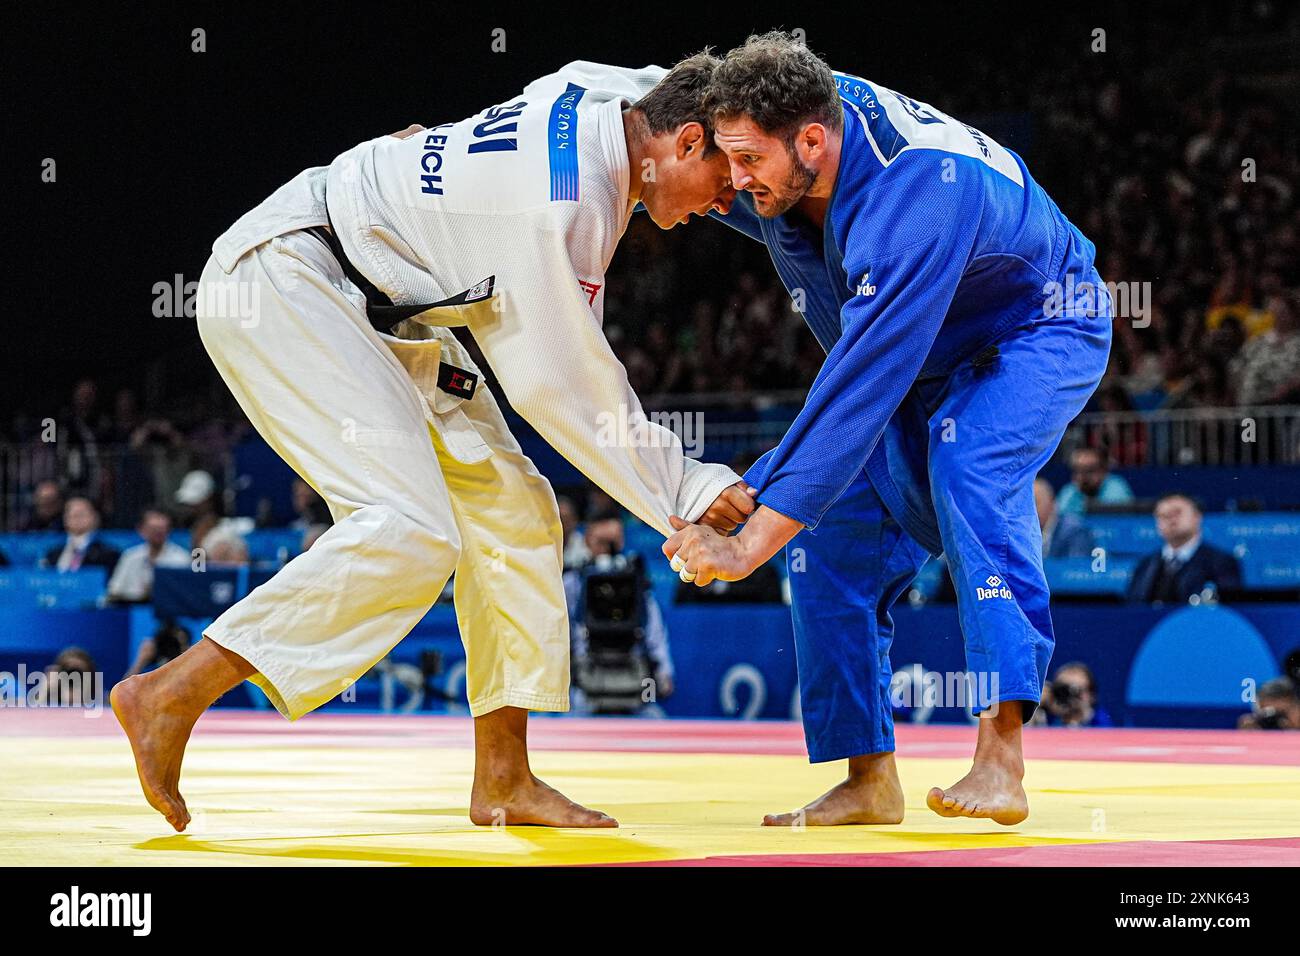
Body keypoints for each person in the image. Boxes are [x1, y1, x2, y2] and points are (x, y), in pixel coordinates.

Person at [111, 56, 754, 833]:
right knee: (410, 527)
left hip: (390, 299)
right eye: (729, 177)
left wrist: (795, 90)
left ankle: (506, 779)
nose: (731, 199)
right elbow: (565, 390)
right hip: (286, 277)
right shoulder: (561, 209)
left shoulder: (610, 99)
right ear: (687, 142)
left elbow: (660, 71)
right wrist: (683, 491)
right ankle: (172, 691)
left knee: (515, 509)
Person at [665, 33, 1113, 826]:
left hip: (1037, 326)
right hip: (929, 348)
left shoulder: (918, 199)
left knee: (970, 463)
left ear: (812, 140)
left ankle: (1001, 755)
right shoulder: (783, 117)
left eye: (745, 163)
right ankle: (868, 777)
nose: (730, 183)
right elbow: (649, 94)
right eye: (724, 160)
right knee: (827, 527)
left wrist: (749, 538)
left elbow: (860, 389)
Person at [1126, 493, 1241, 604]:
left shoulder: (1221, 562)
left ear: (1197, 516)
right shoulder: (1146, 564)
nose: (1171, 520)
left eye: (1177, 513)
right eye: (1163, 515)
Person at [107, 508, 190, 603]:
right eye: (153, 529)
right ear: (141, 530)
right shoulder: (130, 556)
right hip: (131, 610)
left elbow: (185, 596)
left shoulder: (182, 559)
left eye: (162, 529)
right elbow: (114, 591)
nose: (158, 533)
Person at [42, 497, 120, 575]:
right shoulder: (52, 554)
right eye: (72, 514)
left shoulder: (109, 554)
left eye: (81, 514)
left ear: (95, 517)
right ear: (65, 519)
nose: (77, 518)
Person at [1055, 447, 1134, 517]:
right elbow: (1059, 521)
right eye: (1078, 470)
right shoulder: (1069, 491)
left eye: (1089, 470)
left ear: (1103, 471)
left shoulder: (1116, 488)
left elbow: (1117, 521)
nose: (1083, 476)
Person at [1035, 477, 1096, 559]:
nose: (1031, 511)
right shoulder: (1024, 533)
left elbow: (1076, 568)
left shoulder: (1075, 530)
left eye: (1036, 503)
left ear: (1052, 504)